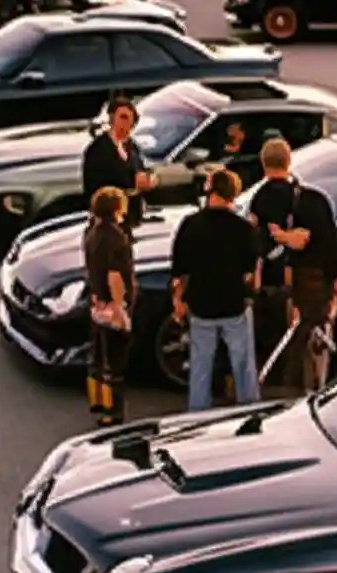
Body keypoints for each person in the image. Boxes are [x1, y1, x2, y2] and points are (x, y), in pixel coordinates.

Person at [170, 169, 261, 411]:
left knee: (200, 365)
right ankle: (248, 410)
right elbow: (250, 272)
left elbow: (180, 269)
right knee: (243, 364)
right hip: (234, 304)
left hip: (201, 305)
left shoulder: (191, 225)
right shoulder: (243, 228)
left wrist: (179, 299)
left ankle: (198, 414)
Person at [267, 169, 337, 395]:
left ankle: (298, 384)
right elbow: (332, 255)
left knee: (303, 337)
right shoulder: (319, 216)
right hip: (318, 283)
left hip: (306, 282)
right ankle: (313, 386)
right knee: (315, 338)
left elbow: (296, 250)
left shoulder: (300, 220)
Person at [246, 137, 299, 380]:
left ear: (263, 164)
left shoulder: (260, 197)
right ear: (288, 161)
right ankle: (288, 370)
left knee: (265, 324)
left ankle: (266, 370)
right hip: (292, 268)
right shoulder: (297, 194)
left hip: (266, 270)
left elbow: (254, 233)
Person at [84, 186, 137, 427]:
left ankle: (98, 402)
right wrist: (119, 308)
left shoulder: (91, 233)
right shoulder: (116, 238)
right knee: (116, 364)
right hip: (112, 304)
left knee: (98, 357)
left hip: (97, 301)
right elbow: (115, 275)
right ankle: (113, 413)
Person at [82, 97, 157, 232]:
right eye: (123, 117)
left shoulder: (132, 148)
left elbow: (140, 171)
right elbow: (94, 185)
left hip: (131, 219)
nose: (127, 124)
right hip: (107, 222)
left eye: (131, 120)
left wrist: (147, 180)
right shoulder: (98, 150)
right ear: (111, 118)